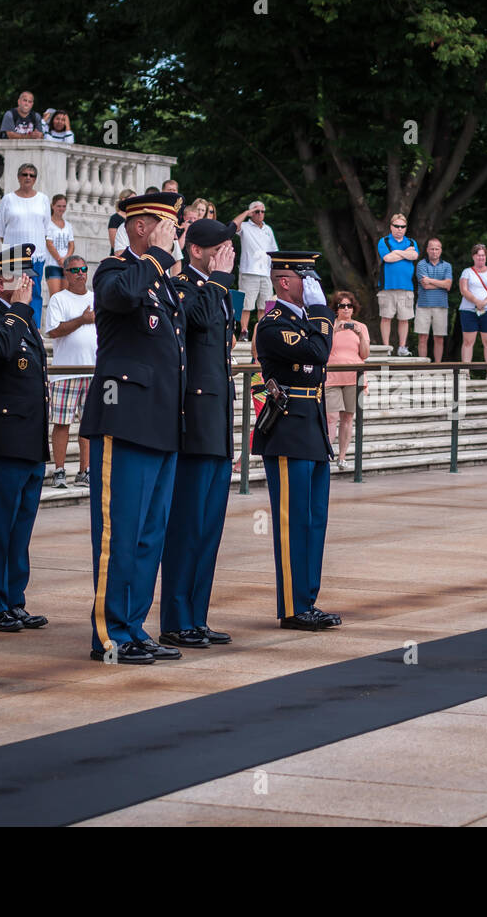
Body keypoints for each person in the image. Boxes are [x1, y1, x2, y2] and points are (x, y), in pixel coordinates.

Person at [81, 191, 186, 665]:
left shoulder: (163, 282)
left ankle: (134, 626)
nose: (175, 235)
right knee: (118, 533)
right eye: (167, 227)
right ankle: (109, 633)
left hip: (161, 423)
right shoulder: (115, 269)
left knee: (148, 535)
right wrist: (159, 257)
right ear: (140, 227)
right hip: (124, 419)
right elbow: (119, 298)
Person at [159, 218, 241, 649]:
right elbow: (197, 322)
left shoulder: (216, 289)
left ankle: (197, 614)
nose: (227, 254)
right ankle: (176, 617)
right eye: (220, 248)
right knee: (187, 525)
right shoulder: (185, 287)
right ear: (196, 251)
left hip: (216, 423)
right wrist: (221, 282)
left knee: (208, 528)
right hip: (194, 422)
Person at [254, 251, 341, 631]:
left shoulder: (305, 321)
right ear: (285, 281)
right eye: (307, 278)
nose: (314, 286)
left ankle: (307, 599)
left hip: (313, 428)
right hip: (289, 430)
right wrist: (322, 313)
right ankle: (292, 606)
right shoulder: (274, 324)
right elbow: (319, 351)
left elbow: (318, 357)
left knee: (314, 520)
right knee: (293, 523)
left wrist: (317, 316)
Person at [0, 244, 52, 633]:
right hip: (2, 440)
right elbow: (0, 349)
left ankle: (14, 600)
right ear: (1, 279)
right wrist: (18, 309)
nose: (31, 281)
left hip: (30, 440)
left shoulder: (24, 319)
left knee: (20, 529)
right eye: (24, 275)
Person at [45, 255, 95, 488]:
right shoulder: (59, 299)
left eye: (83, 269)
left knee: (89, 425)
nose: (80, 273)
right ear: (66, 273)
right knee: (62, 424)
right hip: (66, 371)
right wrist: (83, 320)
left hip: (93, 370)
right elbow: (53, 331)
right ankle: (59, 470)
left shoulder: (97, 299)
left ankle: (85, 471)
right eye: (75, 270)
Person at [0, 164, 51, 328]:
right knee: (11, 291)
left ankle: (33, 329)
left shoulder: (43, 199)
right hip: (13, 256)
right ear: (18, 177)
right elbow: (1, 231)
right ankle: (11, 327)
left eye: (32, 175)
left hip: (36, 256)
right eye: (25, 174)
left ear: (35, 179)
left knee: (34, 293)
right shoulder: (8, 199)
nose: (28, 177)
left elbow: (46, 228)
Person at [325, 289, 370, 469]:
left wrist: (359, 334)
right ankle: (326, 453)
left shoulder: (361, 327)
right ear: (335, 308)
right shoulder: (329, 325)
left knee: (348, 418)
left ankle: (342, 456)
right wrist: (334, 331)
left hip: (354, 376)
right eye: (341, 306)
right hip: (332, 376)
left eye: (348, 306)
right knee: (331, 417)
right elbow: (322, 350)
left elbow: (364, 355)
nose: (345, 309)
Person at [231, 200, 278, 339]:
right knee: (246, 304)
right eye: (257, 211)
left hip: (266, 271)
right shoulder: (245, 226)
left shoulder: (268, 229)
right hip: (249, 271)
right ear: (251, 213)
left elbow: (274, 250)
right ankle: (244, 331)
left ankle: (262, 331)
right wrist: (246, 213)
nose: (260, 214)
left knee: (265, 305)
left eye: (262, 211)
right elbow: (233, 226)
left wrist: (274, 271)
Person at [374, 213, 417, 355]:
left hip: (406, 287)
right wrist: (404, 253)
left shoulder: (411, 242)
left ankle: (402, 347)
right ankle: (386, 348)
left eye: (402, 226)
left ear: (406, 228)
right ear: (391, 226)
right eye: (396, 226)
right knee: (386, 317)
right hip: (387, 287)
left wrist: (397, 253)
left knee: (404, 319)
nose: (399, 229)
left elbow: (414, 256)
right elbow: (387, 258)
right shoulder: (384, 241)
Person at [458, 243, 487, 369]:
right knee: (468, 342)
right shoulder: (467, 272)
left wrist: (484, 302)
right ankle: (466, 372)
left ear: (486, 256)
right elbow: (463, 290)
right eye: (478, 255)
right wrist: (477, 301)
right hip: (468, 310)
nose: (480, 258)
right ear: (473, 257)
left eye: (483, 255)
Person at [413, 237, 452, 361]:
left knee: (439, 338)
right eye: (432, 249)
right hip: (423, 305)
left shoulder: (447, 266)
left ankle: (438, 365)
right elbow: (425, 285)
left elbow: (448, 285)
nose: (434, 251)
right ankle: (422, 367)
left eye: (437, 249)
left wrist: (430, 280)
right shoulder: (421, 264)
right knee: (422, 337)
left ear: (440, 250)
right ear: (427, 250)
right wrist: (441, 283)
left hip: (441, 305)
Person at [43, 194, 75, 295]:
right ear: (53, 206)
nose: (61, 209)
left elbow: (71, 244)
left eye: (64, 206)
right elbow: (49, 244)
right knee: (55, 297)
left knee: (65, 296)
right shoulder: (48, 223)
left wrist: (66, 259)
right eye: (59, 206)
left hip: (66, 266)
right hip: (52, 264)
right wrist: (59, 259)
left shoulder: (68, 225)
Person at [108, 189, 134, 253]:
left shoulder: (133, 217)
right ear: (123, 200)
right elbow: (113, 243)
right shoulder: (115, 218)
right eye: (132, 199)